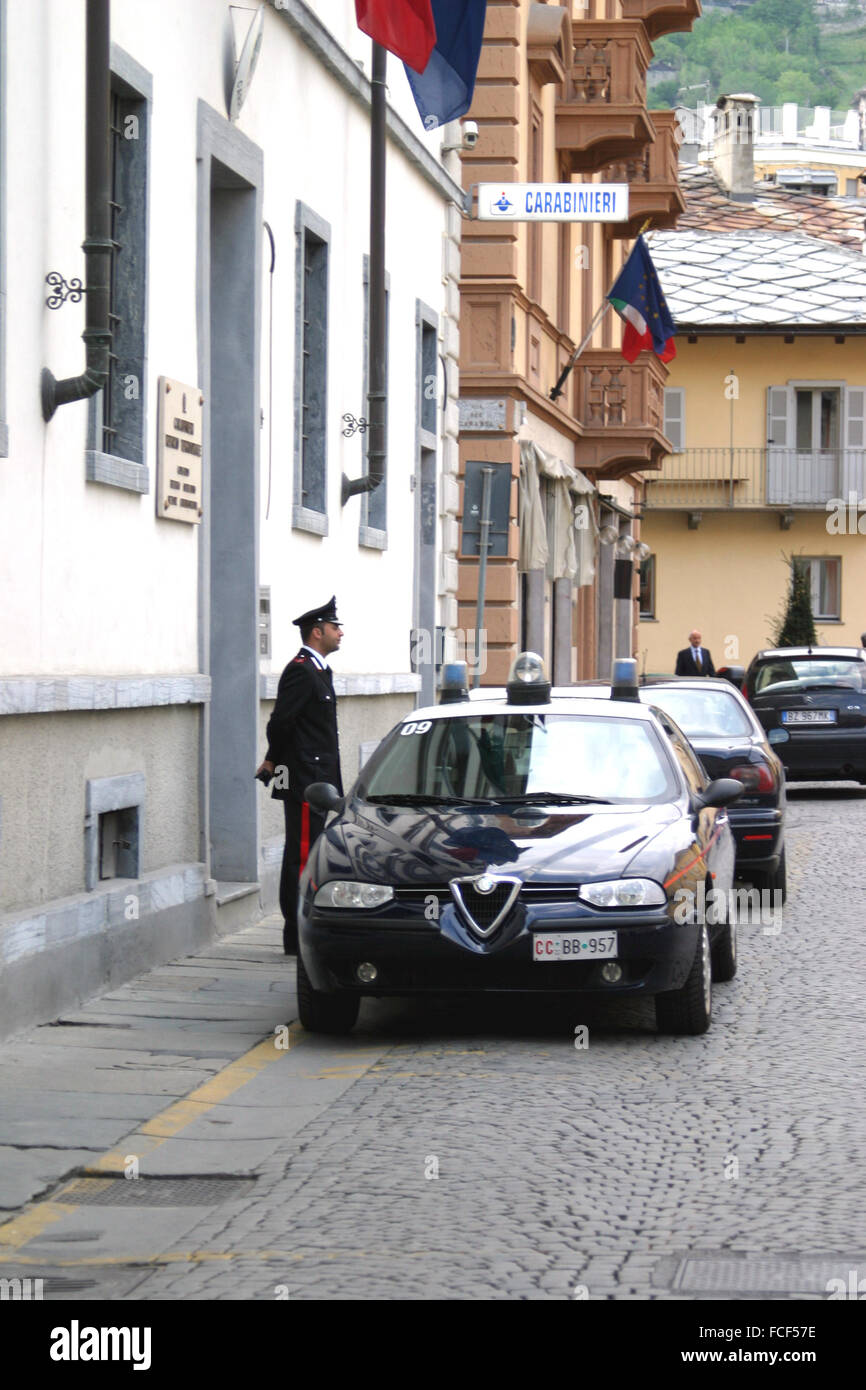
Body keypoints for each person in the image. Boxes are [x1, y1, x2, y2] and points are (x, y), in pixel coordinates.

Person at [256, 597, 343, 954]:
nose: (341, 632)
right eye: (335, 627)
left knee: (308, 855)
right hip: (305, 781)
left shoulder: (319, 669)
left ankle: (301, 932)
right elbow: (280, 723)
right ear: (317, 631)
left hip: (317, 777)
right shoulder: (301, 670)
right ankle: (295, 937)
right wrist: (274, 761)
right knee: (302, 857)